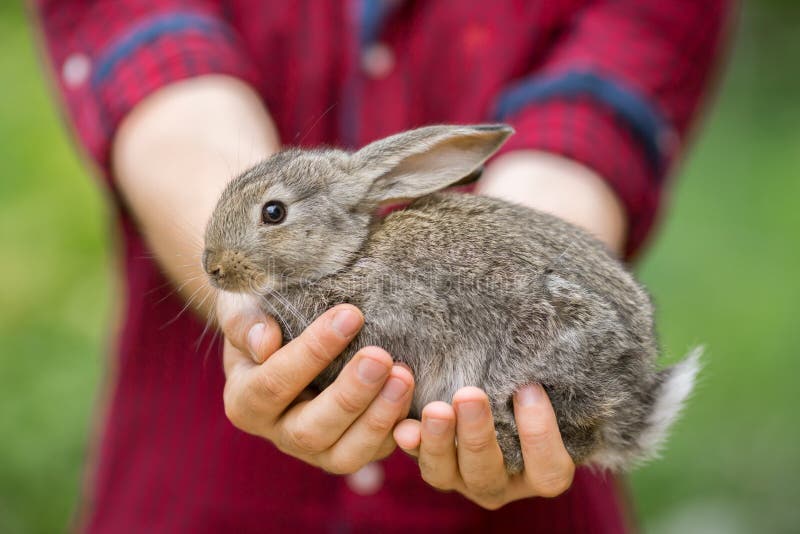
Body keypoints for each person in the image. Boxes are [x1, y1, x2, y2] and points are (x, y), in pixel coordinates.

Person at [33, 1, 731, 532]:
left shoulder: (371, 263)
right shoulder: (324, 283)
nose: (216, 263)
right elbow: (141, 38)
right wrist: (242, 308)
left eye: (273, 219)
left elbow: (623, 62)